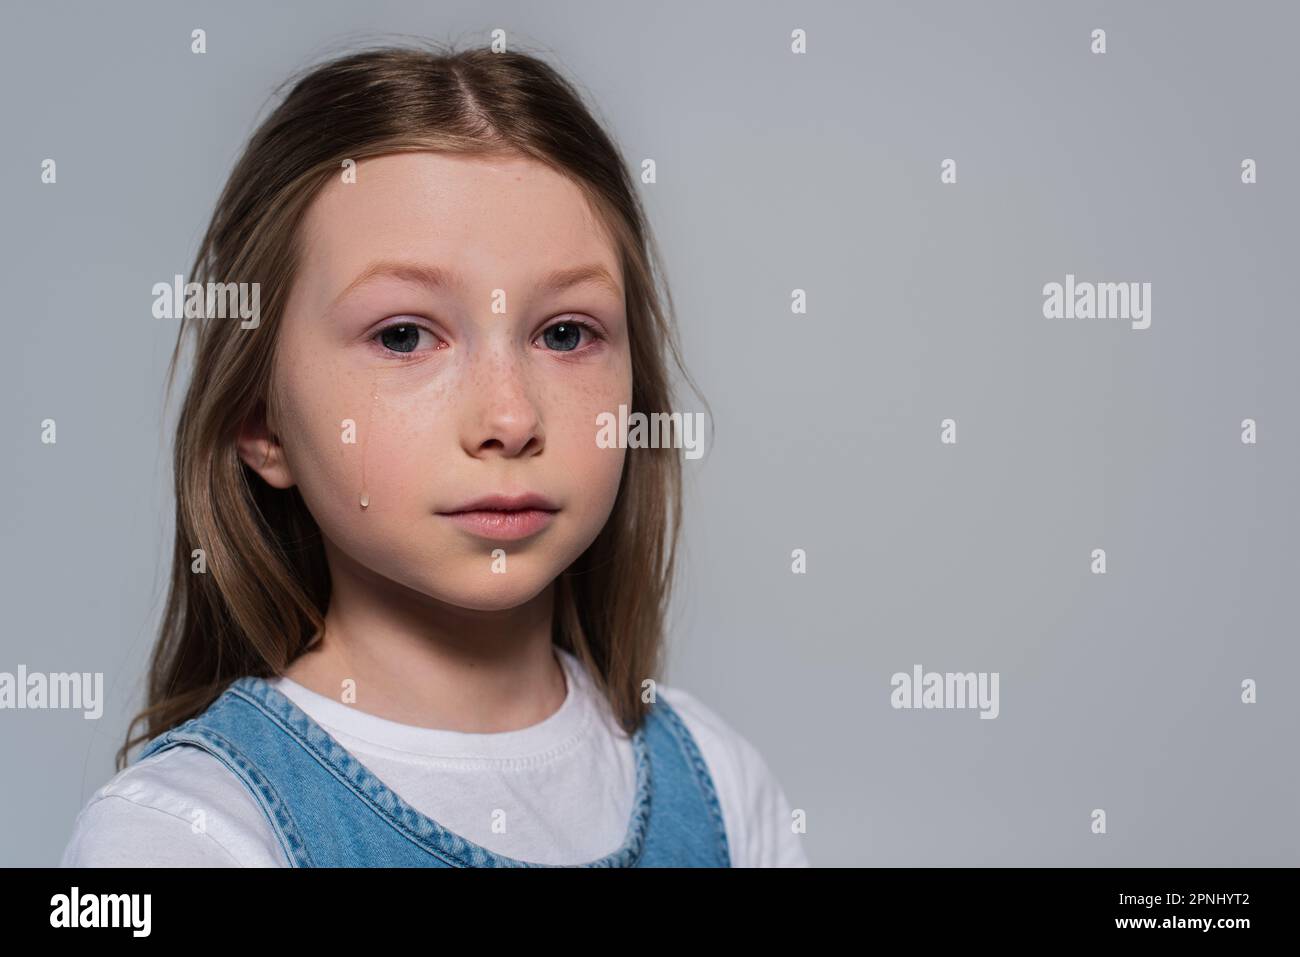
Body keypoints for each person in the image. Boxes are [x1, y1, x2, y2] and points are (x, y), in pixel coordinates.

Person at [61, 43, 808, 868]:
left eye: (566, 333)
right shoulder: (183, 834)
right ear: (259, 419)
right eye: (405, 335)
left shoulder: (723, 791)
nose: (510, 416)